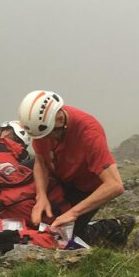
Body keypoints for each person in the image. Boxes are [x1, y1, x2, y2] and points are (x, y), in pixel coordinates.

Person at [18, 90, 129, 244]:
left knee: (64, 237)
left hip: (85, 187)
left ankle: (114, 227)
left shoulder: (89, 133)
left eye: (50, 135)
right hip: (58, 174)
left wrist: (73, 213)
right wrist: (41, 196)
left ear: (60, 119)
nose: (47, 140)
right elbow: (41, 161)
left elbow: (115, 185)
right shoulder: (43, 128)